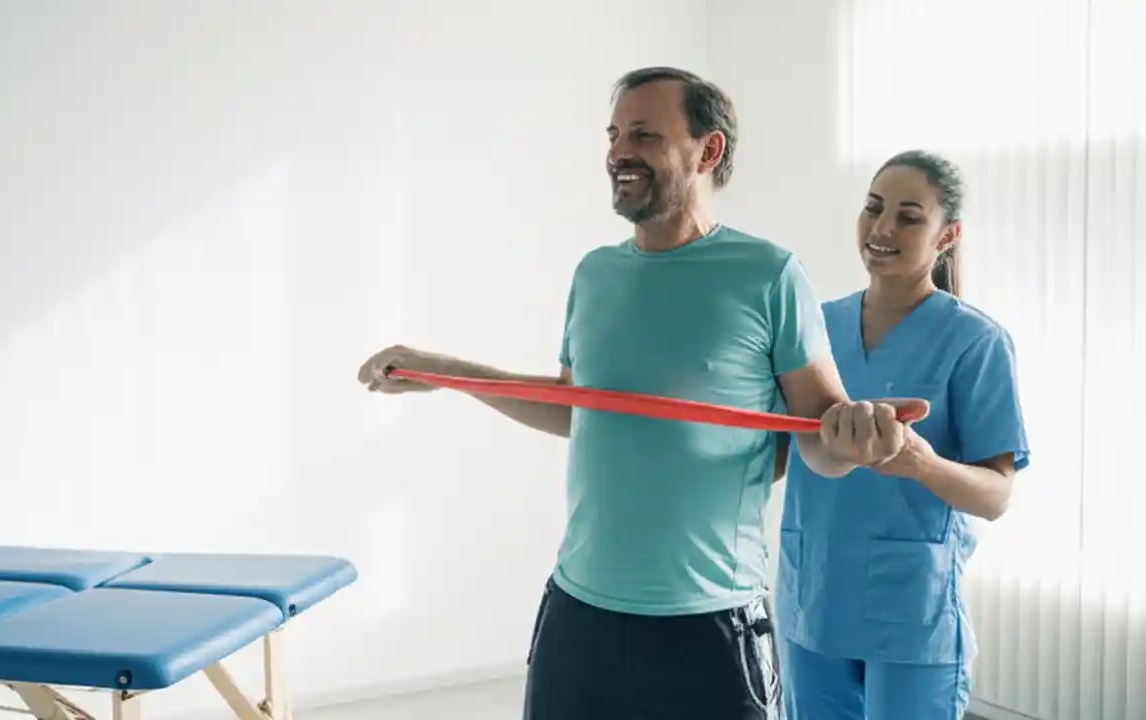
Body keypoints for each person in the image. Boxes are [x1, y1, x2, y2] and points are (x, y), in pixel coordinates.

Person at [357, 67, 927, 719]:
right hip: (580, 615)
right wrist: (443, 372)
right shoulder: (596, 274)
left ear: (707, 151)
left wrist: (857, 441)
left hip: (711, 624)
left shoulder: (768, 274)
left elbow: (819, 439)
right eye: (615, 134)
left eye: (645, 134)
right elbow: (578, 408)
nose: (619, 151)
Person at [773, 150, 1031, 720]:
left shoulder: (975, 342)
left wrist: (920, 462)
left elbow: (996, 495)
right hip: (811, 597)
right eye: (873, 208)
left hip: (911, 613)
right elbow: (777, 450)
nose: (882, 228)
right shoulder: (812, 327)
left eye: (909, 216)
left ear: (948, 235)